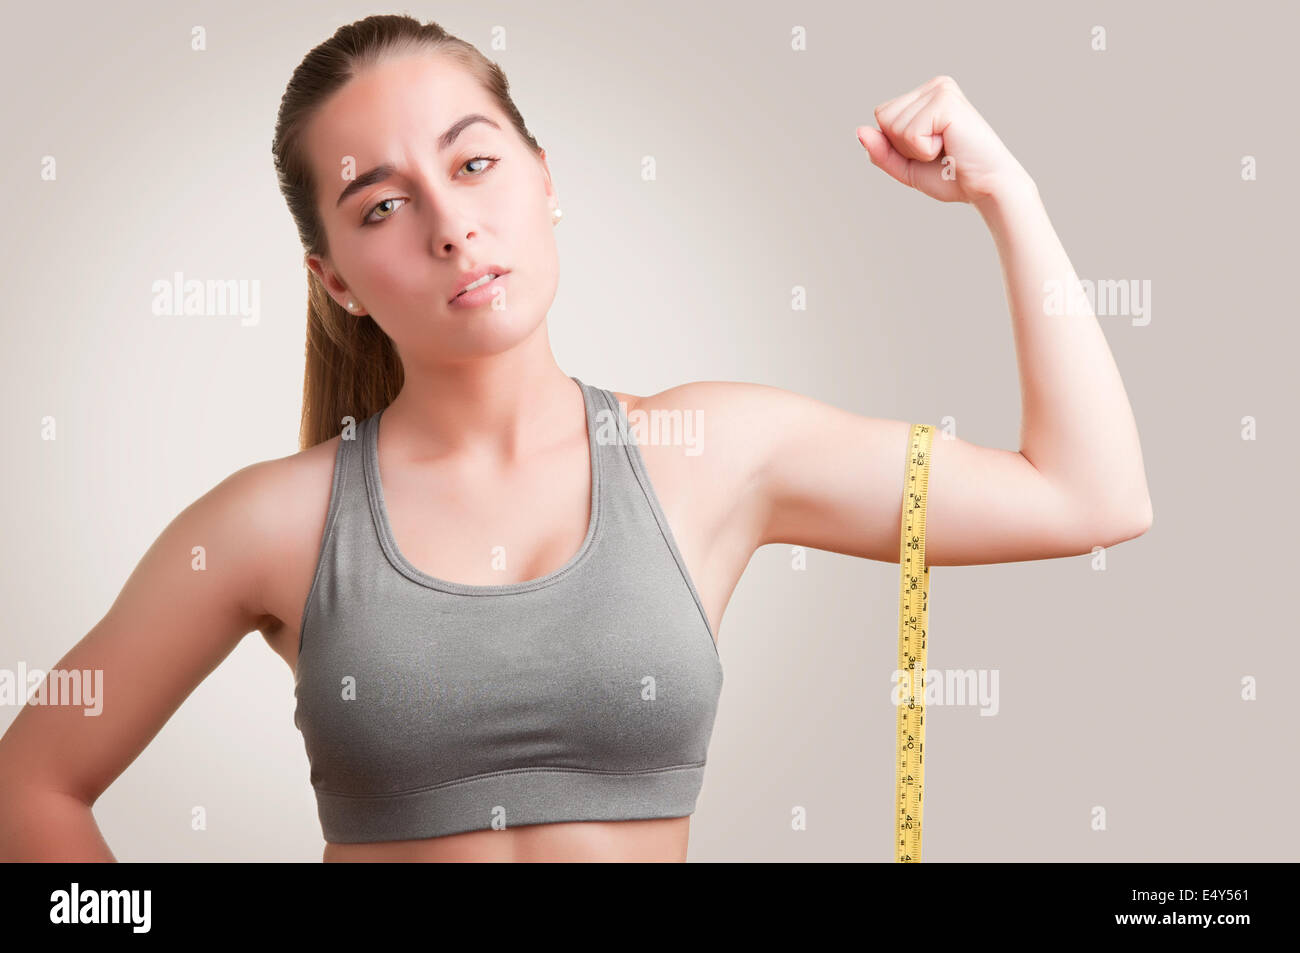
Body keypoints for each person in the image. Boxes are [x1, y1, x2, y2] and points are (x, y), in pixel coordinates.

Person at [0, 14, 1152, 863]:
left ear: (544, 180)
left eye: (474, 161)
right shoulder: (268, 523)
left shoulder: (716, 453)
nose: (452, 225)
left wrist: (1008, 193)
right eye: (382, 204)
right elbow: (30, 788)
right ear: (334, 279)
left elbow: (1085, 496)